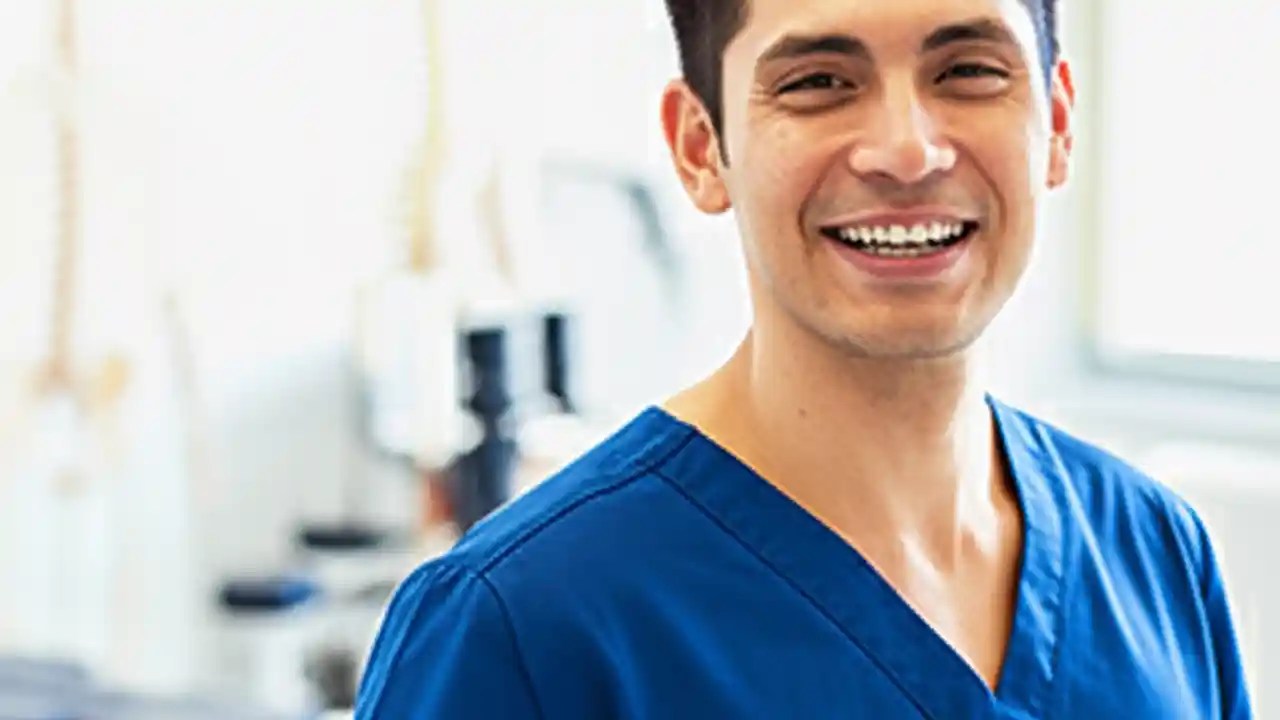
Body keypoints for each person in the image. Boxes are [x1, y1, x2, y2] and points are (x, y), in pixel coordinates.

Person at [355, 0, 1254, 716]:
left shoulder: (1154, 552)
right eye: (820, 81)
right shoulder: (519, 626)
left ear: (1055, 123)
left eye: (969, 72)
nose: (908, 150)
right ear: (700, 146)